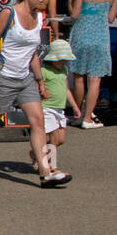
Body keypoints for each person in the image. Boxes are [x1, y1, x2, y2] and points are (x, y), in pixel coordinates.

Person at [0, 0, 71, 188]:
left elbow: (32, 53)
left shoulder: (40, 17)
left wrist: (40, 80)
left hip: (25, 79)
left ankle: (45, 172)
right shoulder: (9, 13)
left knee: (38, 122)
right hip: (3, 78)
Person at [67, 0, 115, 129]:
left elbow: (74, 15)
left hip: (81, 35)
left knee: (79, 77)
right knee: (95, 80)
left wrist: (70, 2)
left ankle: (77, 114)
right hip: (100, 37)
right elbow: (111, 18)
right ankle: (88, 118)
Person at [36, 40, 80, 174]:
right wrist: (41, 90)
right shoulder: (44, 70)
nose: (63, 62)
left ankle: (37, 152)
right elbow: (36, 87)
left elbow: (66, 89)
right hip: (47, 107)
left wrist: (75, 106)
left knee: (61, 139)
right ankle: (51, 168)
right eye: (60, 59)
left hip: (60, 109)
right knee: (54, 137)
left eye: (65, 59)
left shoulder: (64, 70)